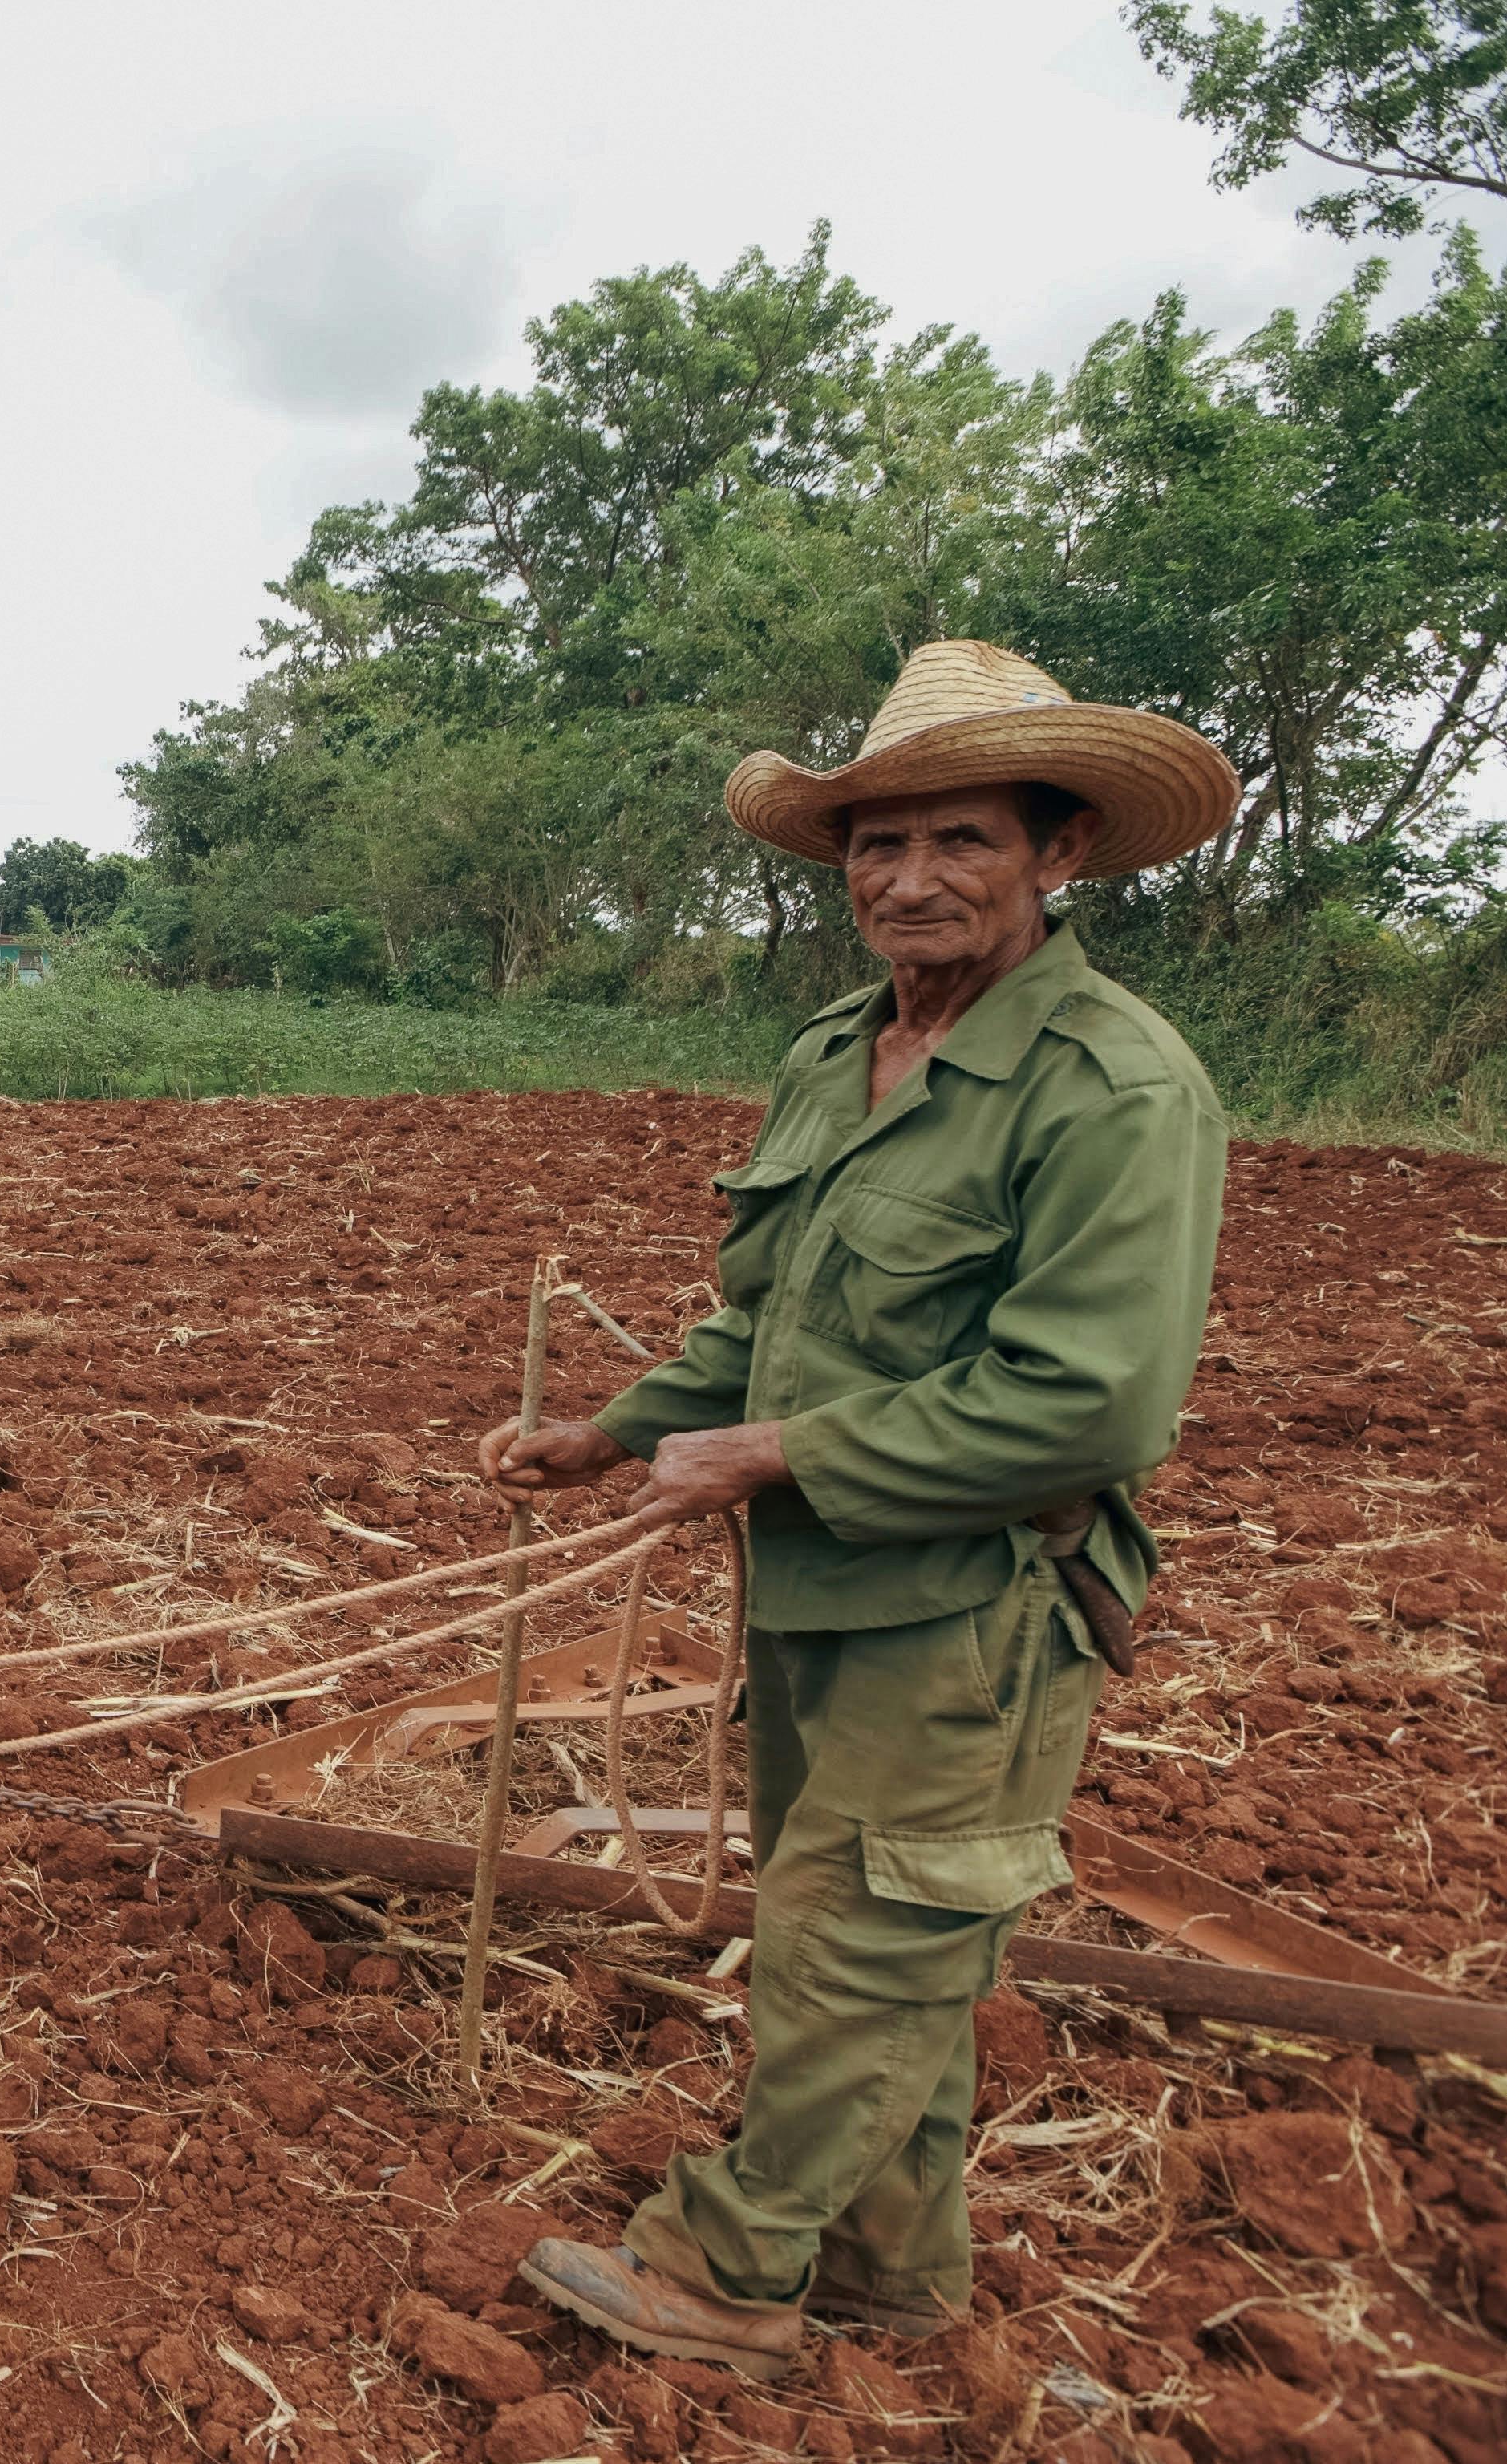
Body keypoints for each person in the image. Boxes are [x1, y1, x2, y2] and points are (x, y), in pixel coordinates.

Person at [478, 640, 1237, 2376]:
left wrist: (766, 1459)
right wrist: (616, 1430)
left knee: (858, 1954)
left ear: (1057, 851)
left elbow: (1090, 1403)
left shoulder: (1116, 1089)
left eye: (958, 840)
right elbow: (774, 1317)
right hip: (816, 1593)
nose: (907, 880)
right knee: (880, 1942)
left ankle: (725, 2278)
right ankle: (898, 2281)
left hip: (973, 1611)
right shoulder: (842, 1049)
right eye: (874, 847)